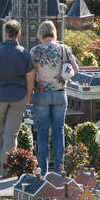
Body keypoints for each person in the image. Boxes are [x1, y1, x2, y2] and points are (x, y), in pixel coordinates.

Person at [0, 20, 35, 178]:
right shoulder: (24, 53)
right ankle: (8, 170)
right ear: (18, 34)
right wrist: (29, 96)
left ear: (5, 33)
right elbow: (30, 77)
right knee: (11, 134)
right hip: (19, 96)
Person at [29, 20, 78, 174]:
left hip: (41, 95)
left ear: (40, 34)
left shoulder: (35, 51)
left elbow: (30, 74)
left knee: (42, 133)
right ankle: (59, 170)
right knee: (59, 132)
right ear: (54, 33)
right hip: (59, 94)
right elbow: (75, 69)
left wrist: (29, 94)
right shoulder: (64, 49)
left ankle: (42, 171)